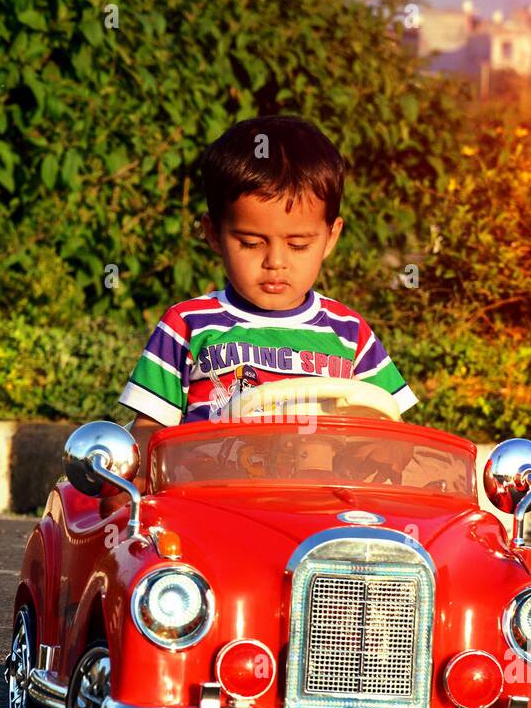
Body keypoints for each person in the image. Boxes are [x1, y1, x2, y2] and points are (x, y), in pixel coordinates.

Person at [118, 115, 418, 483]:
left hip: (322, 511)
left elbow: (395, 432)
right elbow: (147, 433)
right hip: (210, 510)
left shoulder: (351, 334)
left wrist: (390, 448)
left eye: (298, 244)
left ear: (331, 237)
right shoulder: (187, 325)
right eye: (250, 242)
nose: (275, 262)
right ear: (214, 234)